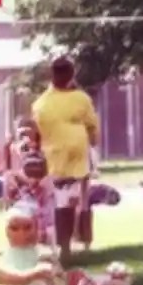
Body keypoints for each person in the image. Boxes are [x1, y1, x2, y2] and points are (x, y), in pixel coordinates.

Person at [31, 57, 100, 262]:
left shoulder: (42, 103)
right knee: (74, 201)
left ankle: (73, 243)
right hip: (66, 159)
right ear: (72, 75)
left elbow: (33, 134)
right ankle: (70, 244)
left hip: (64, 158)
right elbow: (93, 129)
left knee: (72, 201)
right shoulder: (79, 99)